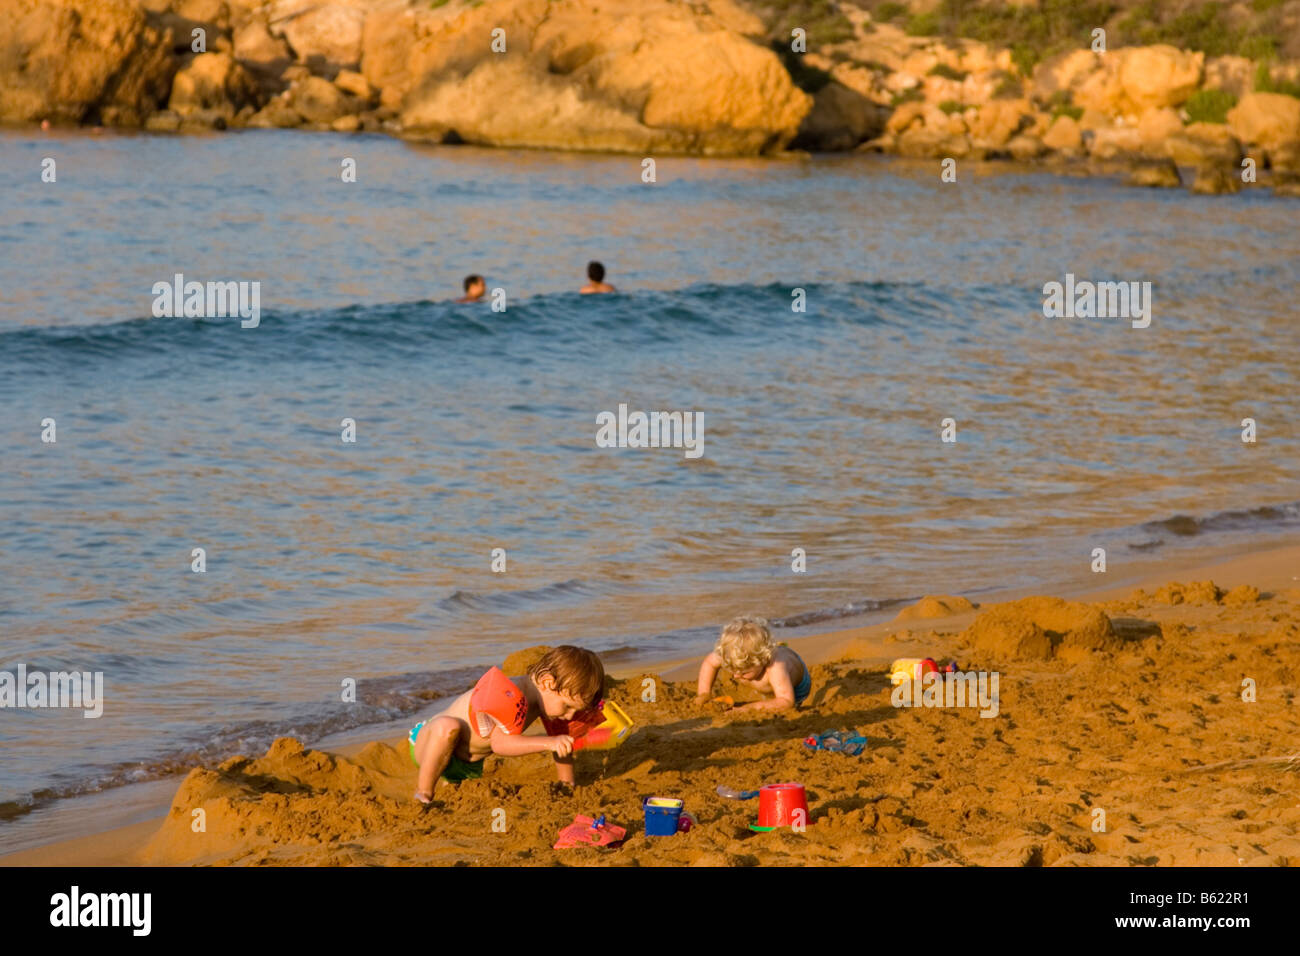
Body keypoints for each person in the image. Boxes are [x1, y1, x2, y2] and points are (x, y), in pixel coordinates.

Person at [407, 646, 605, 802]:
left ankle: (449, 783)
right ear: (546, 683)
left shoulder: (550, 703)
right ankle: (423, 793)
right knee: (447, 727)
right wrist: (548, 742)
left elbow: (562, 747)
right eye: (568, 706)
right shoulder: (512, 695)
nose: (570, 716)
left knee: (559, 737)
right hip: (429, 745)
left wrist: (566, 784)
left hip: (468, 764)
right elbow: (500, 744)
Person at [694, 616, 811, 712]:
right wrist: (704, 693)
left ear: (763, 660)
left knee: (787, 703)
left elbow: (786, 701)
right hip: (764, 663)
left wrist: (749, 708)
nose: (736, 676)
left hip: (798, 687)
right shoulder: (732, 654)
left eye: (744, 672)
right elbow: (709, 663)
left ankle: (781, 652)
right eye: (733, 670)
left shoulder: (776, 667)